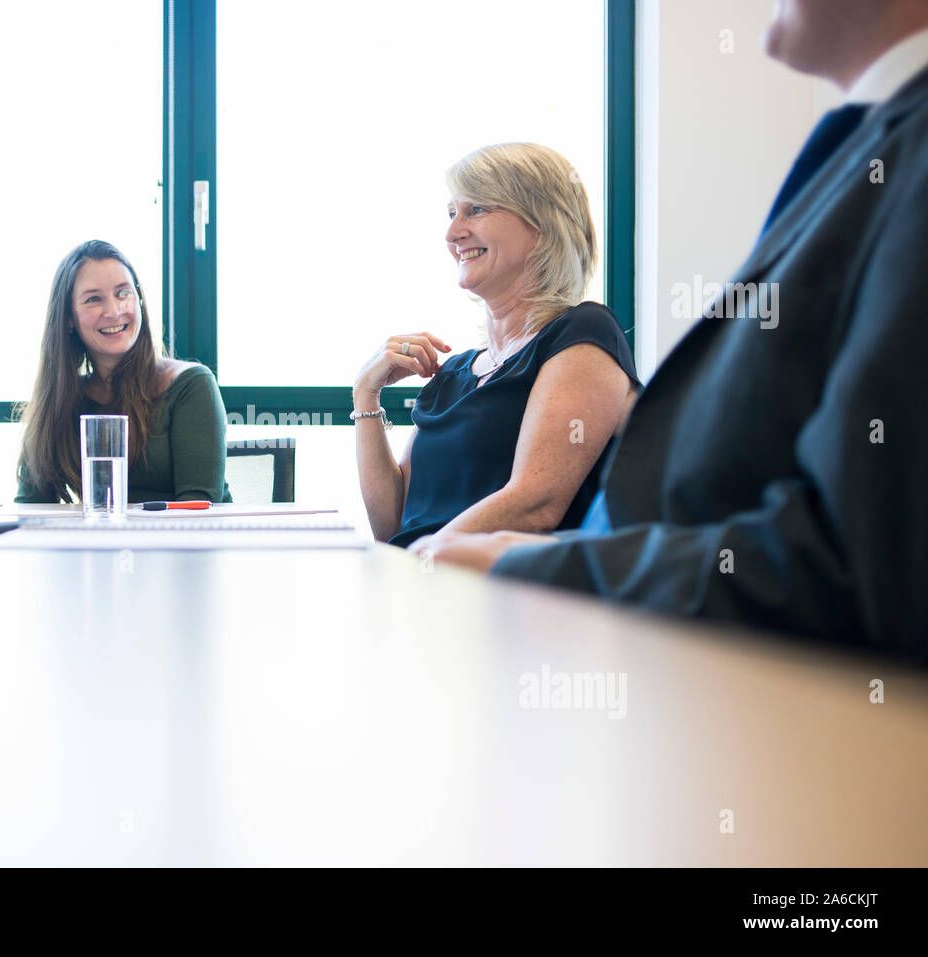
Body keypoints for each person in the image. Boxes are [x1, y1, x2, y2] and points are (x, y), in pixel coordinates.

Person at [415, 0, 928, 660]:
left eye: (477, 209)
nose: (455, 229)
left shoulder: (910, 160)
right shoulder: (873, 145)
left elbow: (863, 554)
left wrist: (547, 569)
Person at [352, 143, 641, 548]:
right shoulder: (455, 372)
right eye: (452, 213)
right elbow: (392, 526)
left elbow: (535, 506)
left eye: (477, 210)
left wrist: (421, 563)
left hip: (504, 598)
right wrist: (366, 395)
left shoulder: (581, 333)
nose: (453, 233)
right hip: (427, 586)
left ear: (541, 224)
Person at [16, 239, 229, 504]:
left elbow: (198, 509)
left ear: (138, 299)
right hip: (99, 543)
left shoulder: (191, 385)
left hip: (178, 542)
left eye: (123, 293)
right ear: (68, 318)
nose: (114, 311)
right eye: (93, 299)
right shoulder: (62, 397)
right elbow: (30, 509)